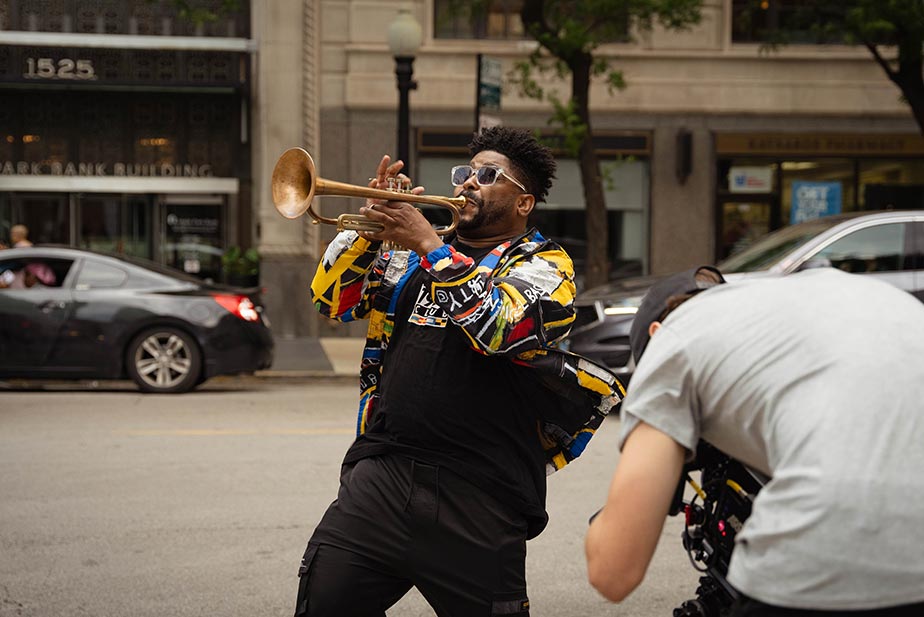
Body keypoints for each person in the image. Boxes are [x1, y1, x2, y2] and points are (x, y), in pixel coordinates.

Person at [296, 126, 624, 616]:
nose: (468, 182)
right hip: (383, 474)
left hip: (481, 493)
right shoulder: (407, 253)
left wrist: (430, 245)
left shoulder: (546, 264)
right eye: (464, 173)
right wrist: (366, 233)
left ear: (523, 203)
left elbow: (500, 330)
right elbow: (331, 300)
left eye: (487, 175)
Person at [584, 265, 924, 615]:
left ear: (655, 332)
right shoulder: (821, 290)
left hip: (831, 553)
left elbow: (613, 572)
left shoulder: (674, 339)